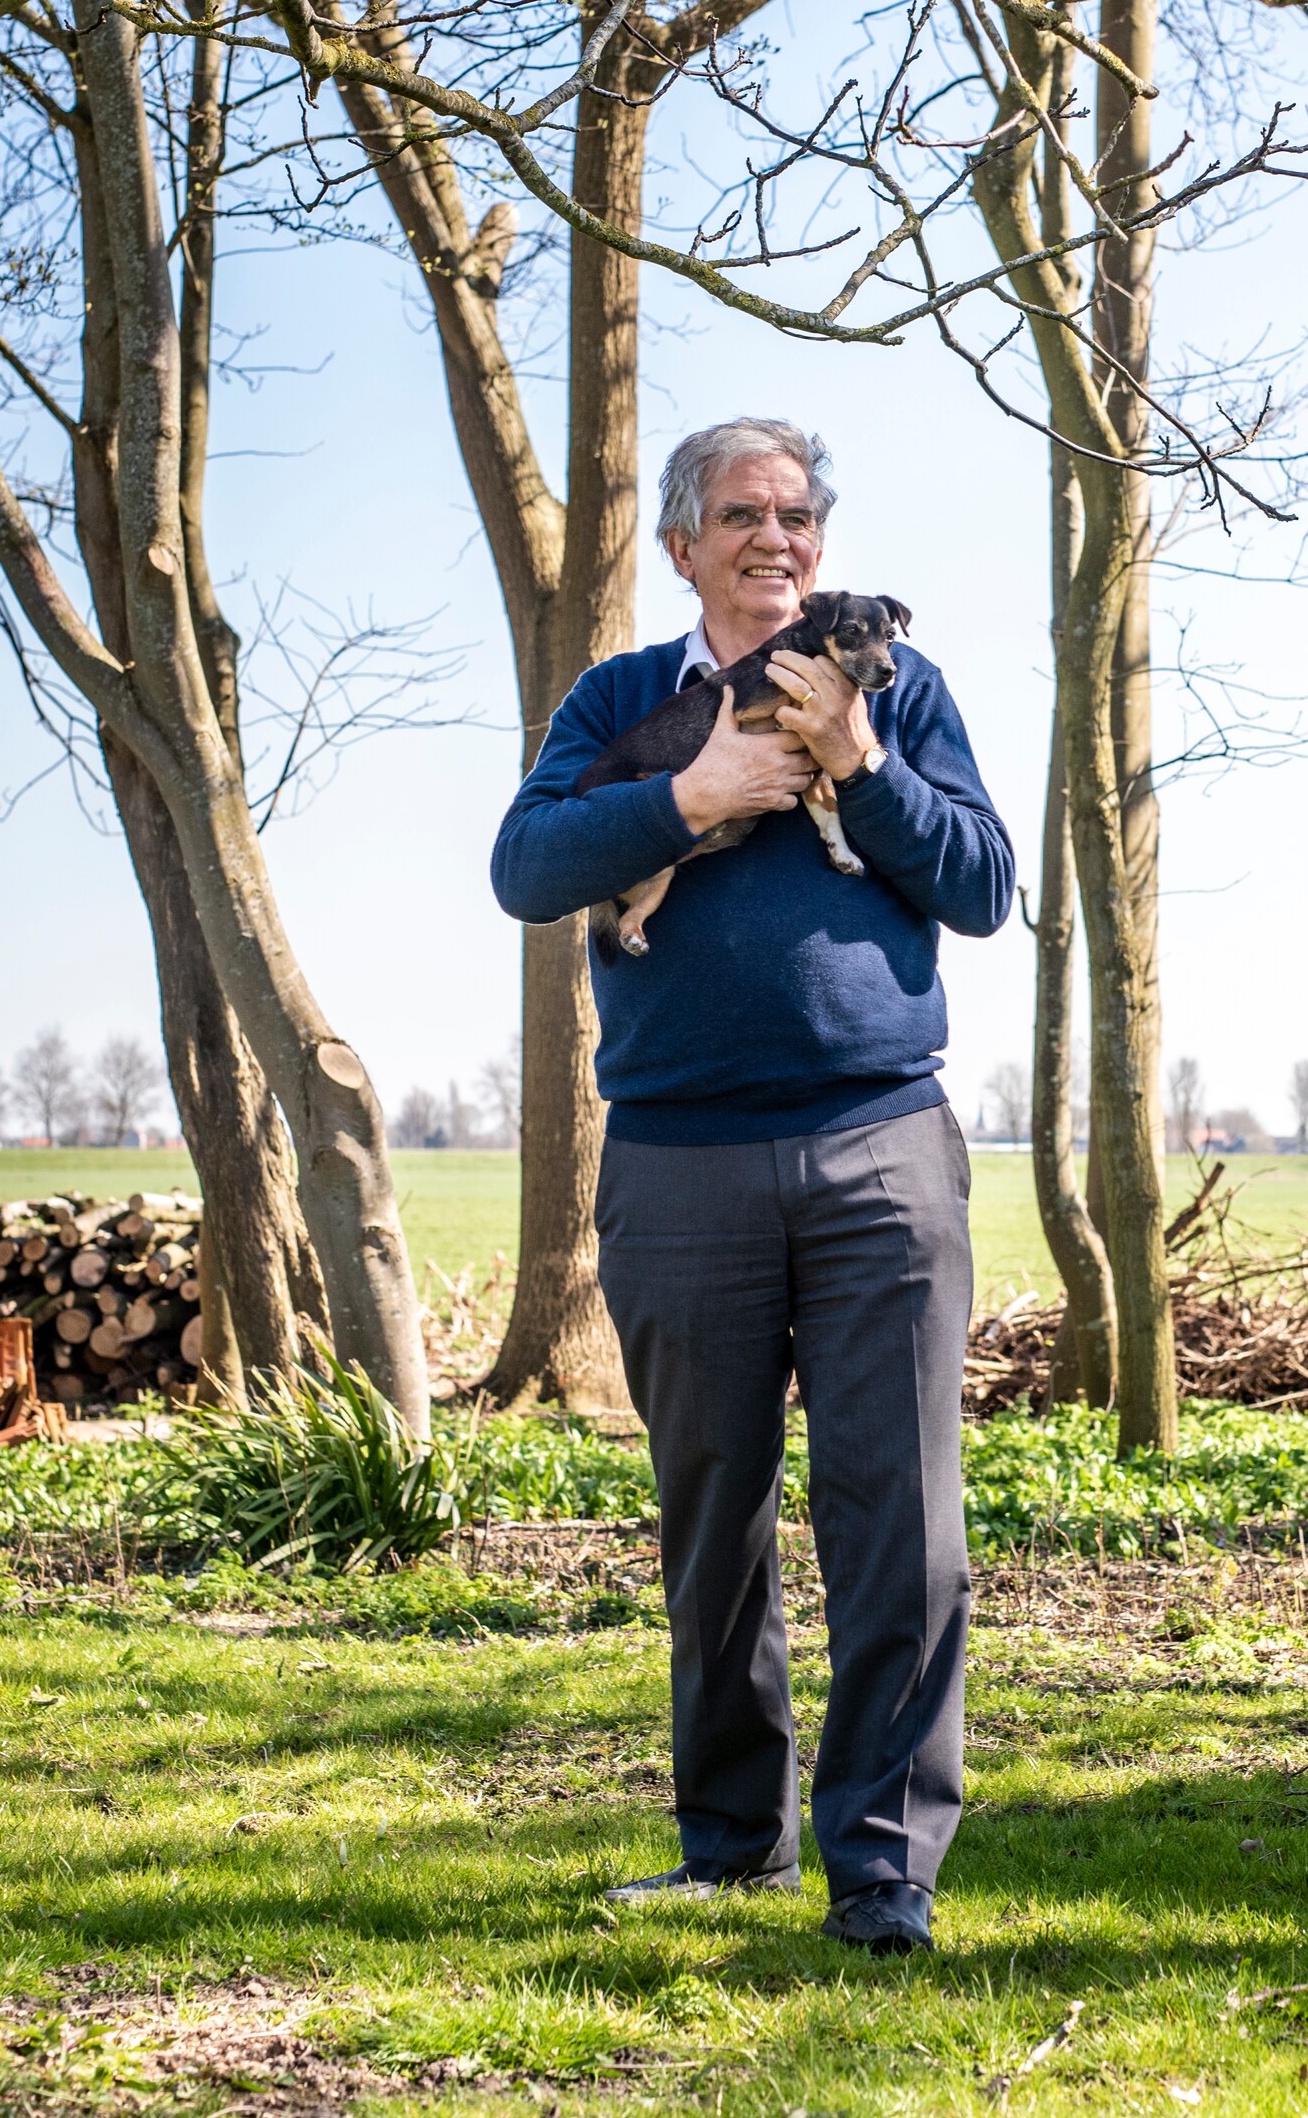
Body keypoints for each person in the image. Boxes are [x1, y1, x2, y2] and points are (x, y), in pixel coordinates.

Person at [490, 418, 1014, 1954]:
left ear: (822, 545)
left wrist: (860, 763)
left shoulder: (902, 692)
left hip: (880, 1146)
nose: (773, 537)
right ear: (682, 546)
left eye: (795, 515)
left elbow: (984, 885)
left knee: (901, 1519)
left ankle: (884, 1870)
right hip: (677, 1162)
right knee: (714, 1520)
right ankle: (731, 1850)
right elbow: (526, 868)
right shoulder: (617, 702)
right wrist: (691, 795)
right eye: (739, 514)